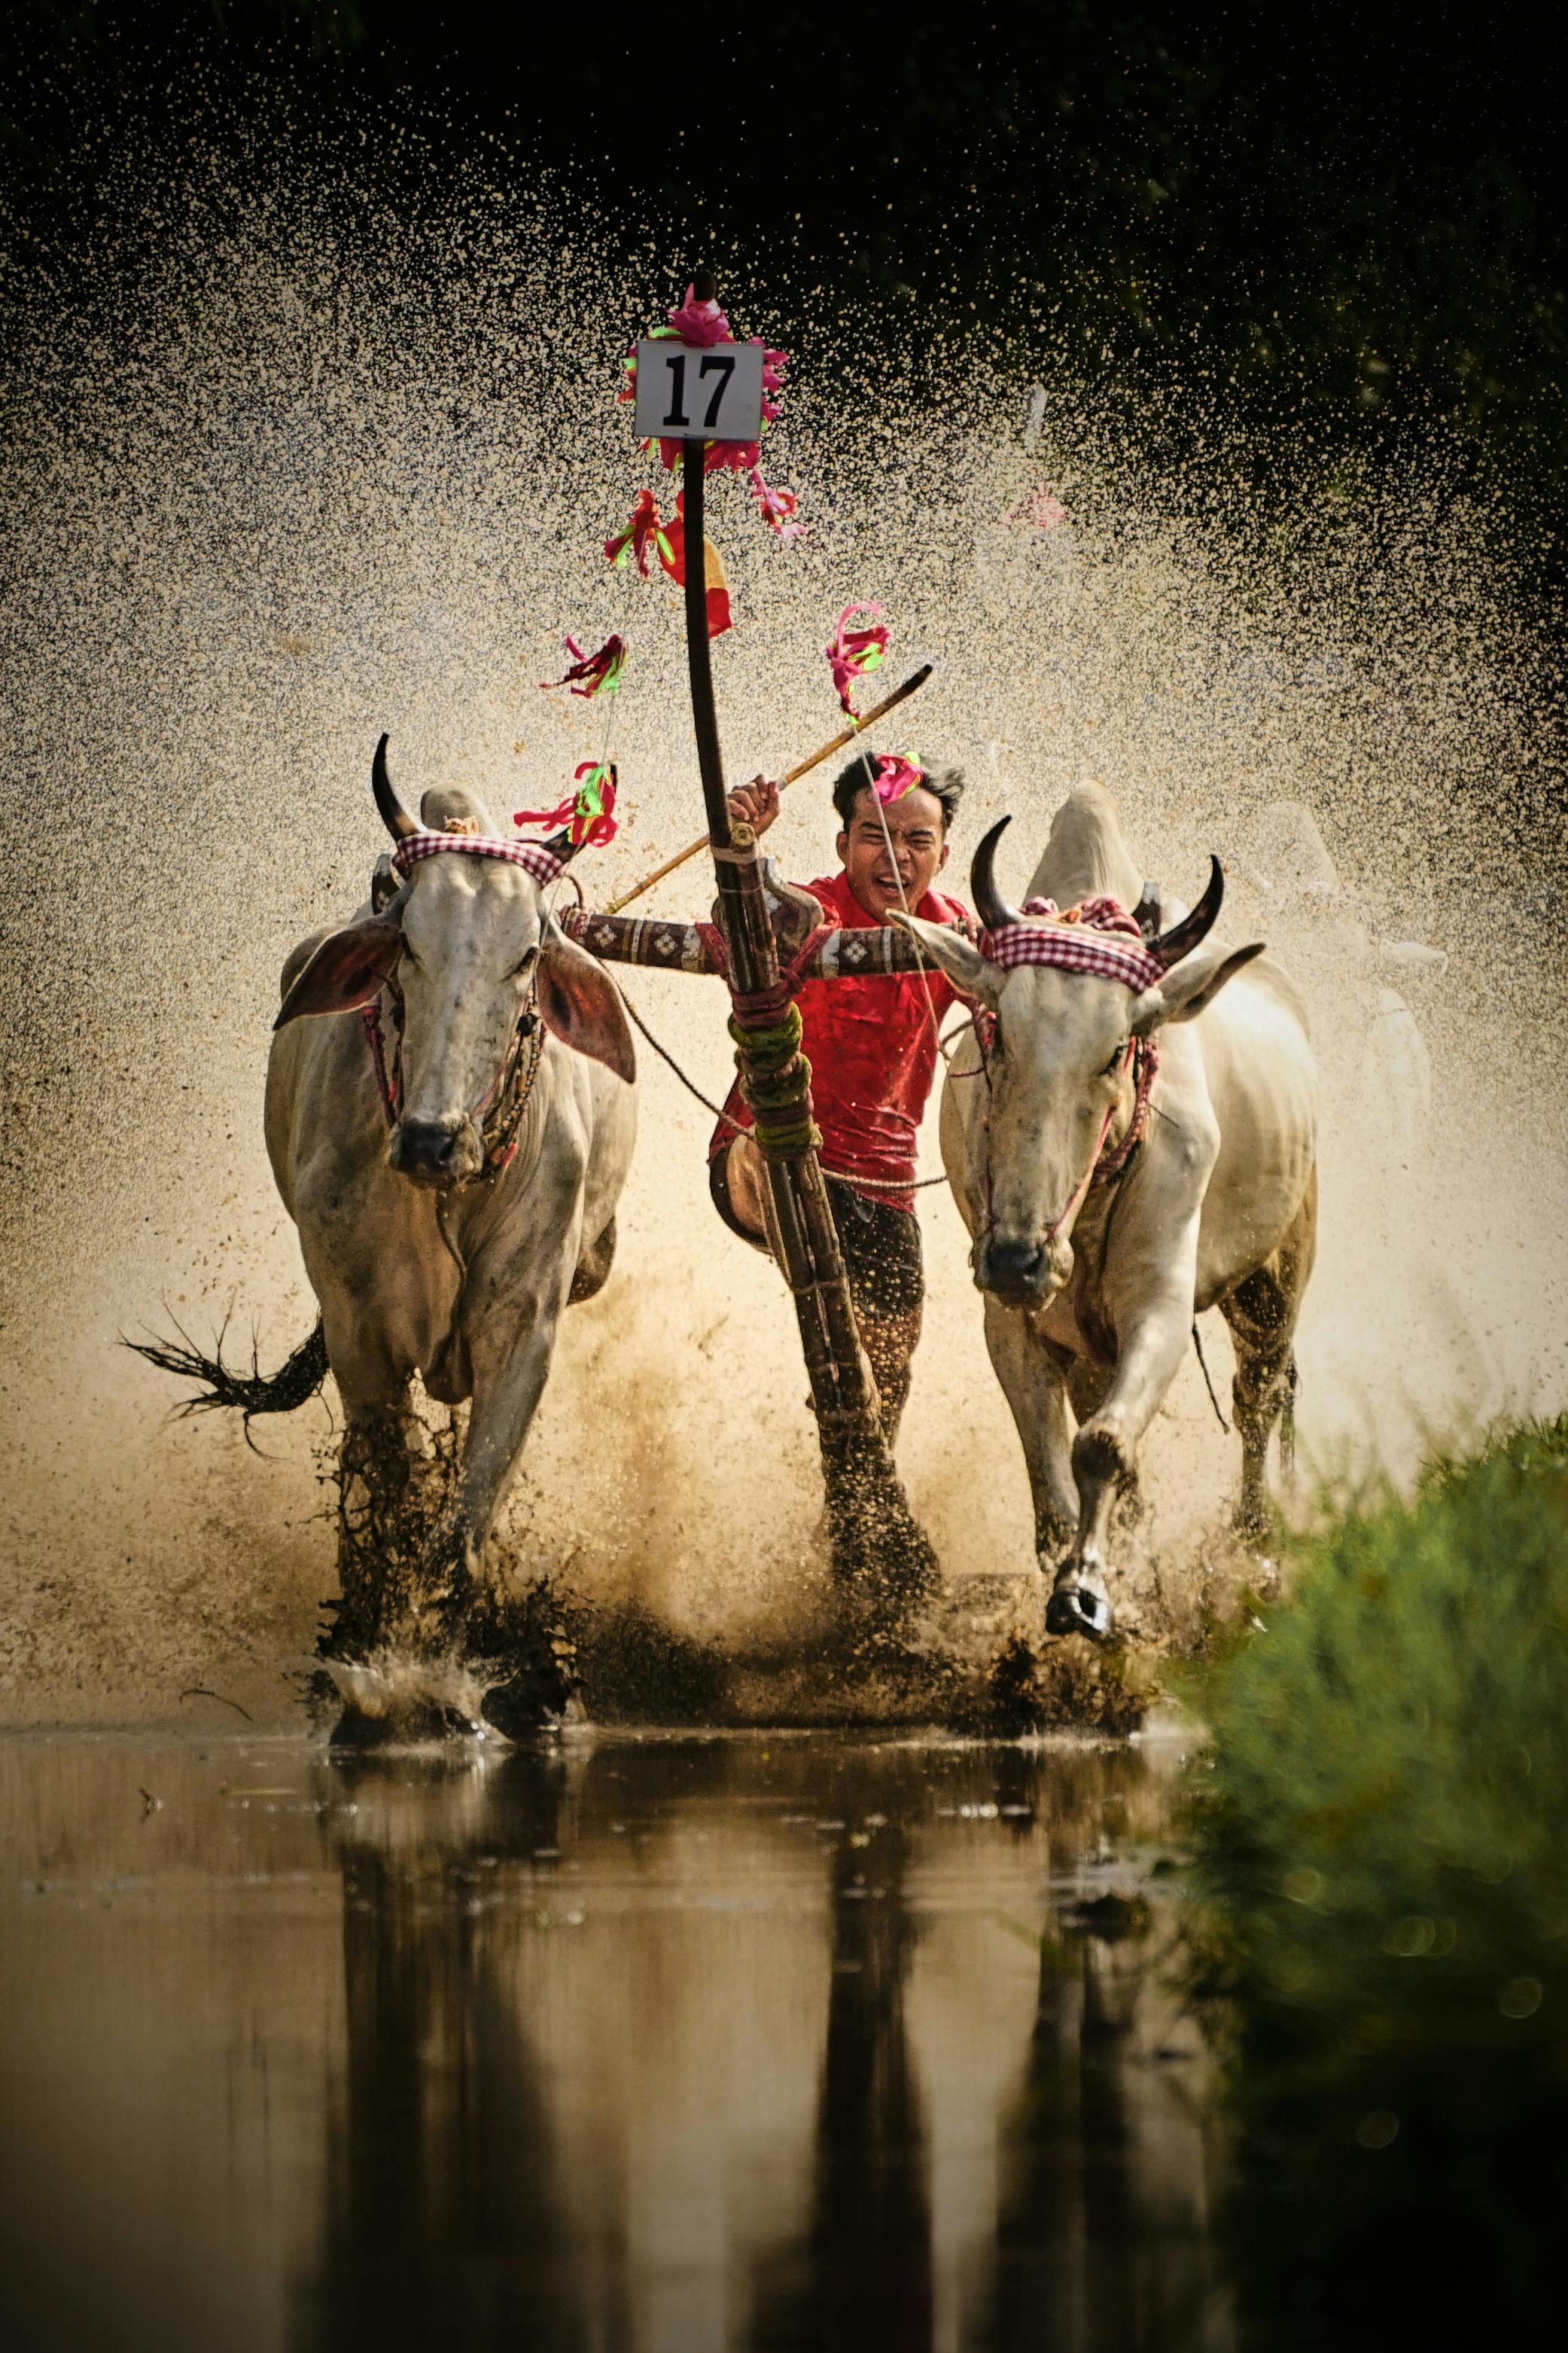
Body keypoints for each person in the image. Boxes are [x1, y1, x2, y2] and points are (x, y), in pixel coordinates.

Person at [708, 754, 972, 1440]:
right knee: (781, 1166)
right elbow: (746, 919)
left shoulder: (959, 937)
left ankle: (864, 1486)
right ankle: (833, 1353)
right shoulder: (809, 911)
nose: (895, 856)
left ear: (943, 853)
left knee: (891, 1372)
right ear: (842, 845)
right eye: (873, 834)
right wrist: (742, 847)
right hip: (763, 1154)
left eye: (917, 840)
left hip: (882, 1182)